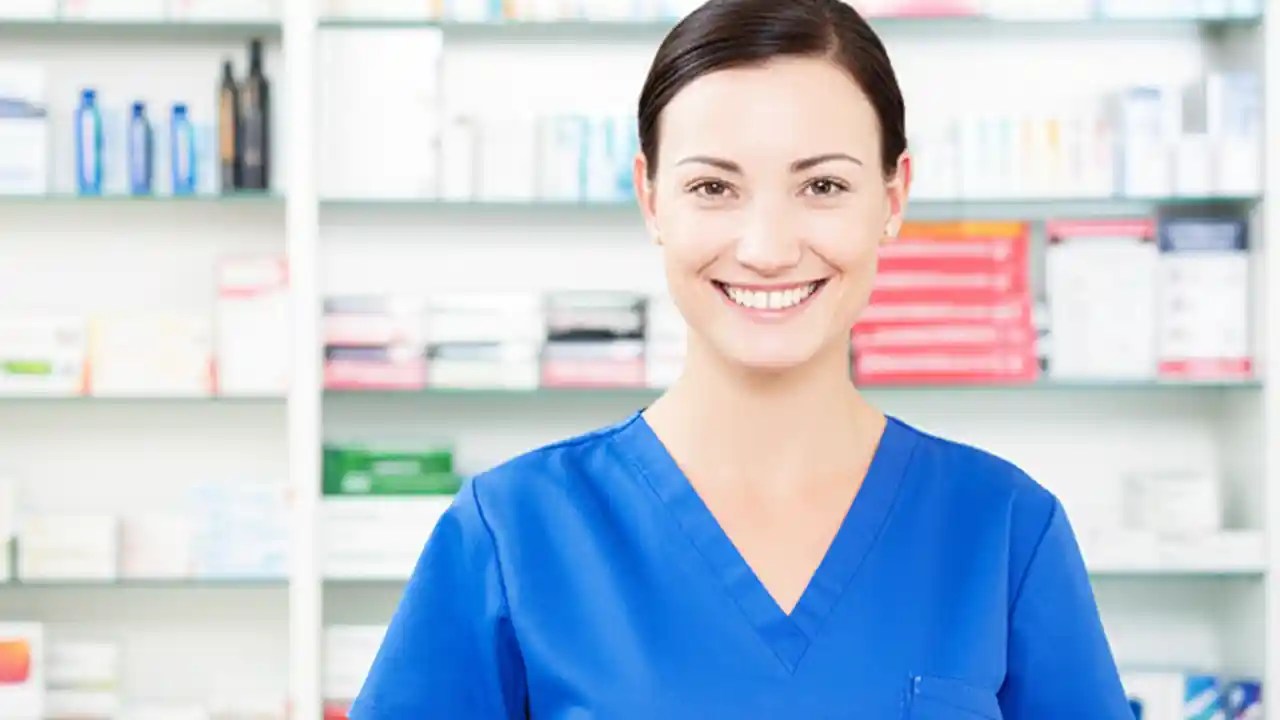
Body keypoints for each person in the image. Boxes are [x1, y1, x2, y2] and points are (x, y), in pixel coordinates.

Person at [350, 0, 1133, 717]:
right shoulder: (515, 534)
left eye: (823, 185)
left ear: (894, 198)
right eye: (714, 187)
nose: (767, 249)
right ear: (651, 198)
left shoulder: (1002, 532)